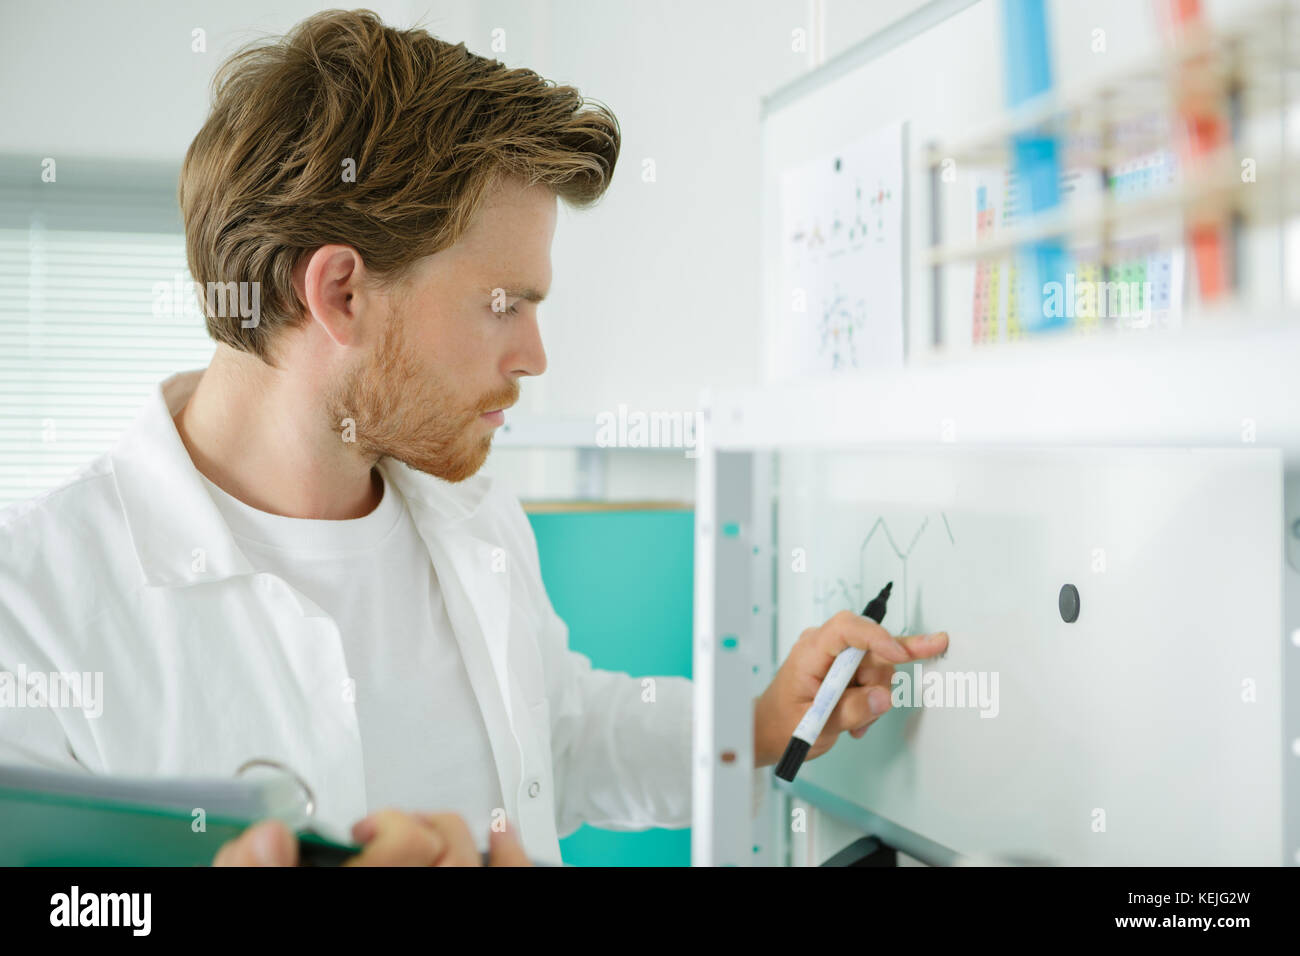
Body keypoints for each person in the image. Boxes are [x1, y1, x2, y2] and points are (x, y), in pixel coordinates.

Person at [0, 9, 947, 867]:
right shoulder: (33, 614)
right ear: (340, 293)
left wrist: (762, 718)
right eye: (506, 306)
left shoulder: (468, 505)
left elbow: (560, 738)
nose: (534, 356)